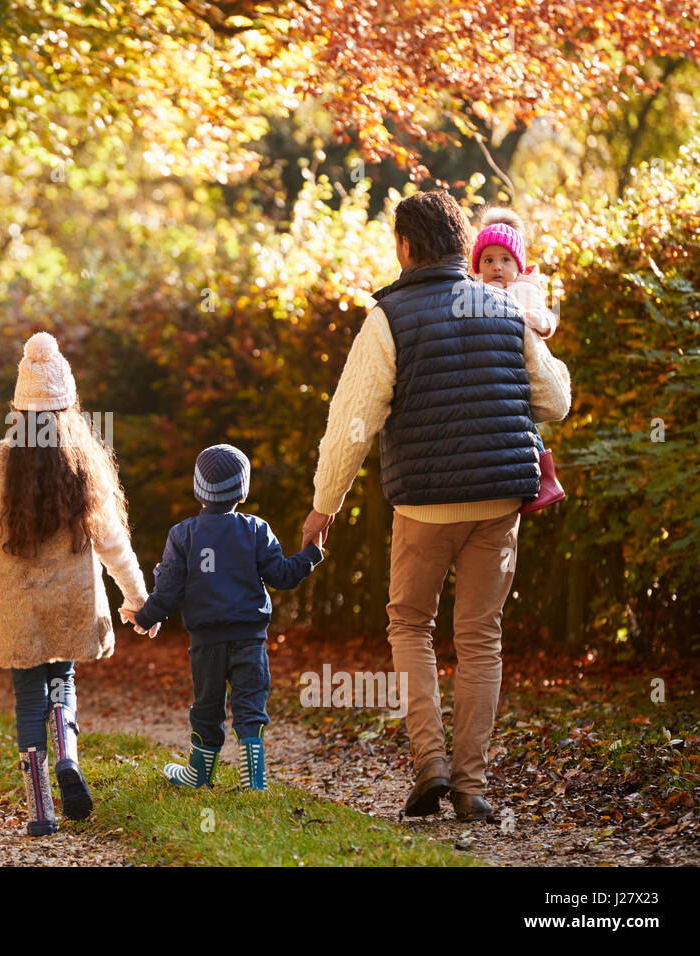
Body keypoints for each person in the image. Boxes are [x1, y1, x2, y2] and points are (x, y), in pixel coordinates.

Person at [301, 190, 572, 821]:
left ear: (404, 247)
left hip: (424, 506)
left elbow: (351, 423)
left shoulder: (388, 318)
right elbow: (555, 399)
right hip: (500, 500)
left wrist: (324, 505)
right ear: (461, 247)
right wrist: (534, 327)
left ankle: (431, 766)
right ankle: (470, 786)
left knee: (409, 625)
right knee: (480, 638)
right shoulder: (503, 308)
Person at [0, 332, 149, 836]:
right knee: (63, 683)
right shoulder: (84, 461)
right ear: (66, 403)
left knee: (26, 695)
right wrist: (137, 597)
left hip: (17, 604)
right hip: (71, 599)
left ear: (20, 406)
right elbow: (113, 542)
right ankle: (69, 758)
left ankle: (40, 811)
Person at [131, 444, 324, 791]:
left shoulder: (183, 535)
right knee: (250, 705)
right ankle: (254, 780)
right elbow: (282, 575)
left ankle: (199, 774)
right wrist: (311, 554)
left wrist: (145, 617)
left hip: (206, 644)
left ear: (198, 488)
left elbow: (168, 593)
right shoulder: (255, 530)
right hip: (250, 639)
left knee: (207, 706)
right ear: (243, 490)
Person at [471, 206, 566, 513]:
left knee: (523, 423)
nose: (496, 267)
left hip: (521, 372)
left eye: (504, 260)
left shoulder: (524, 291)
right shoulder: (474, 293)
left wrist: (533, 319)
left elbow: (546, 320)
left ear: (518, 266)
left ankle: (544, 476)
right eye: (488, 261)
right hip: (496, 372)